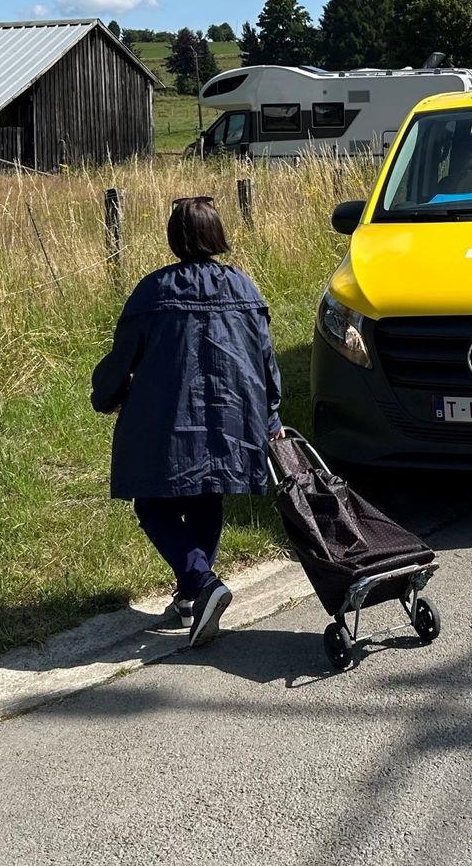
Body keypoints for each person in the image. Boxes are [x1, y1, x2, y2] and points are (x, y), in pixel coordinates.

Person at [91, 196, 284, 647]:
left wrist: (109, 396)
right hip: (233, 416)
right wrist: (271, 414)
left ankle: (202, 584)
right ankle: (190, 598)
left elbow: (123, 358)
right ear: (217, 234)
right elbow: (266, 360)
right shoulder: (246, 288)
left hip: (167, 418)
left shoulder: (152, 291)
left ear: (174, 238)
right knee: (206, 496)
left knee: (152, 504)